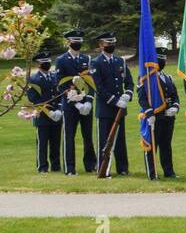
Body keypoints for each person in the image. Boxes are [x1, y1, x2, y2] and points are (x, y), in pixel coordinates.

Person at [91, 32, 133, 176]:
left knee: (120, 140)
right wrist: (115, 101)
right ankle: (104, 168)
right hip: (105, 108)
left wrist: (128, 94)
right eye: (108, 44)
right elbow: (99, 87)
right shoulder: (96, 63)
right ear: (101, 45)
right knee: (104, 140)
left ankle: (123, 168)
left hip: (120, 109)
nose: (111, 46)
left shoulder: (120, 61)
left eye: (113, 43)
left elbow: (129, 82)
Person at [54, 29, 95, 175]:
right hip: (70, 105)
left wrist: (88, 101)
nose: (77, 43)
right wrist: (76, 103)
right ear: (68, 42)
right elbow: (60, 85)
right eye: (74, 41)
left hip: (86, 105)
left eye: (79, 41)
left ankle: (90, 165)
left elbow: (91, 82)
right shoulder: (61, 60)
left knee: (88, 136)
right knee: (69, 137)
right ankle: (69, 168)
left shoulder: (86, 59)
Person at [26, 49, 62, 173]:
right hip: (42, 116)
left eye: (48, 61)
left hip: (56, 115)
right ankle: (42, 167)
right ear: (38, 64)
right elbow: (33, 98)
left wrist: (59, 109)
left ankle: (56, 166)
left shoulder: (55, 76)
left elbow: (60, 93)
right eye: (44, 62)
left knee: (55, 143)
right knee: (42, 144)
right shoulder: (33, 79)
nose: (47, 64)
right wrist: (48, 112)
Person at [150, 48, 180, 178]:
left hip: (168, 116)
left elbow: (175, 95)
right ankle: (152, 172)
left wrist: (175, 107)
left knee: (166, 145)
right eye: (159, 59)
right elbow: (143, 98)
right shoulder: (148, 79)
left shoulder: (168, 77)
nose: (162, 61)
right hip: (157, 116)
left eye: (163, 59)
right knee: (153, 145)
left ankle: (169, 171)